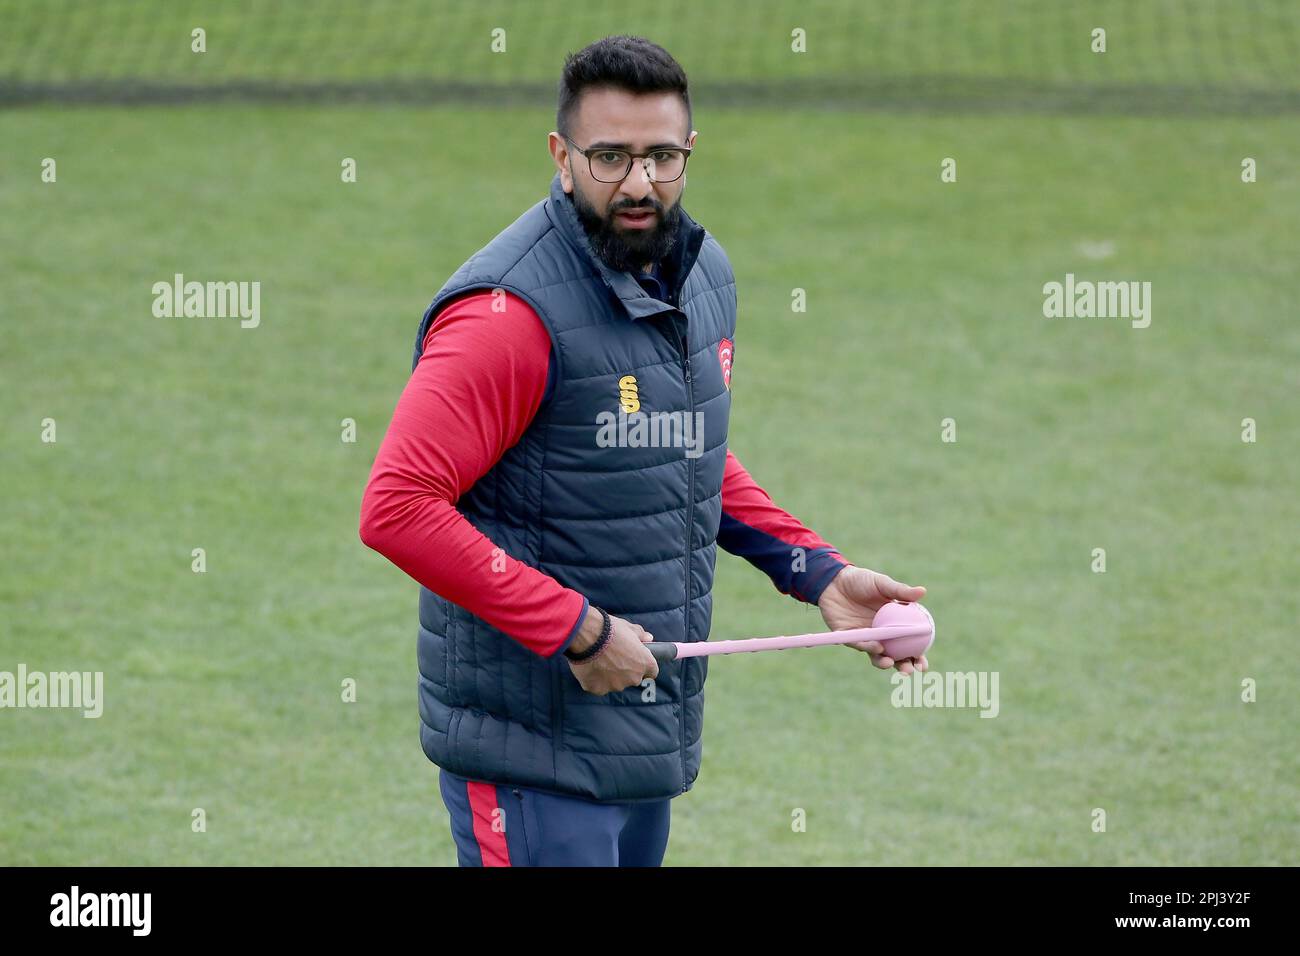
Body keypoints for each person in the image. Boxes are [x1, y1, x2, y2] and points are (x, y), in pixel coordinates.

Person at [358, 34, 927, 867]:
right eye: (610, 156)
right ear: (561, 156)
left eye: (662, 156)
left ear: (689, 152)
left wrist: (814, 571)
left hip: (640, 728)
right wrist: (577, 633)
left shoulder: (703, 275)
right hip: (533, 753)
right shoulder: (505, 317)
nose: (639, 182)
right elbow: (396, 509)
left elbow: (676, 451)